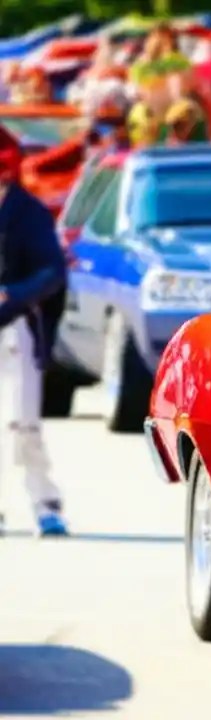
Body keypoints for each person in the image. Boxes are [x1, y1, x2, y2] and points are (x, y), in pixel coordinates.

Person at [0, 130, 68, 537]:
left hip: (16, 328)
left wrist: (13, 294)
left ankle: (45, 504)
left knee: (23, 424)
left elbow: (52, 271)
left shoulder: (29, 212)